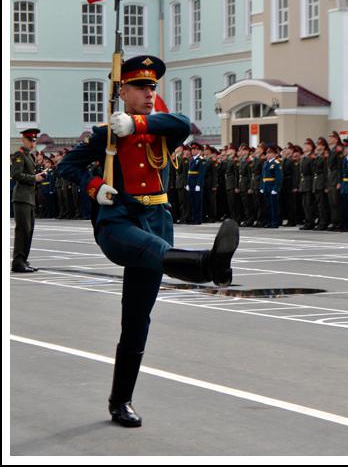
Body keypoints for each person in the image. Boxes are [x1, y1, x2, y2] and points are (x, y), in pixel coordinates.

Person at [57, 55, 239, 428]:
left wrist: (136, 123)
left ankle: (120, 401)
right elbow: (66, 167)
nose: (148, 93)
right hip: (119, 221)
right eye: (139, 87)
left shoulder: (159, 129)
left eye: (152, 87)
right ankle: (207, 266)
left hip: (157, 219)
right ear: (121, 91)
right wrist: (96, 187)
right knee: (152, 250)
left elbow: (184, 123)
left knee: (137, 319)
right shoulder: (105, 135)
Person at [11, 128, 48, 273]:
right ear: (24, 140)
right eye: (30, 140)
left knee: (29, 230)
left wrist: (38, 176)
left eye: (34, 140)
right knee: (23, 230)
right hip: (21, 198)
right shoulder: (18, 155)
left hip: (29, 198)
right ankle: (18, 262)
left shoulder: (30, 157)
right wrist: (34, 178)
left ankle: (23, 260)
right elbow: (16, 175)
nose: (33, 143)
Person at [260, 145, 283, 228]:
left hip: (272, 186)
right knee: (268, 206)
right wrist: (262, 187)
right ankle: (269, 221)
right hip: (266, 186)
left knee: (274, 206)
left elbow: (279, 177)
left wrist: (275, 188)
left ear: (275, 154)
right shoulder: (266, 163)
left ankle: (275, 222)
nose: (268, 155)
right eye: (267, 153)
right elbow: (263, 177)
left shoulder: (276, 163)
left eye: (270, 153)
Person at [327, 132, 344, 231]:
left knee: (337, 203)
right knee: (332, 204)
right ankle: (334, 223)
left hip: (335, 180)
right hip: (330, 180)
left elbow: (339, 168)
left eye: (331, 137)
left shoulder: (338, 152)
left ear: (336, 139)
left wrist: (339, 181)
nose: (329, 139)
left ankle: (339, 224)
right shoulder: (332, 151)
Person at [186, 141, 205, 225]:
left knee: (198, 202)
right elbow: (189, 173)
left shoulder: (201, 160)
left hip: (197, 183)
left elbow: (201, 174)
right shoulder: (191, 159)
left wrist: (198, 184)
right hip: (191, 183)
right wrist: (187, 183)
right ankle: (194, 218)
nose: (193, 151)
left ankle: (198, 219)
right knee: (192, 201)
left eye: (195, 149)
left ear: (198, 150)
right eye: (192, 149)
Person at [299, 138, 315, 230]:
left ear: (311, 147)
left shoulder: (311, 158)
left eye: (307, 145)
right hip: (303, 183)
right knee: (305, 204)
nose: (304, 146)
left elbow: (313, 173)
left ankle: (310, 222)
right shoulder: (303, 157)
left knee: (309, 204)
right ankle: (307, 221)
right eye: (304, 144)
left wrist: (312, 185)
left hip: (309, 183)